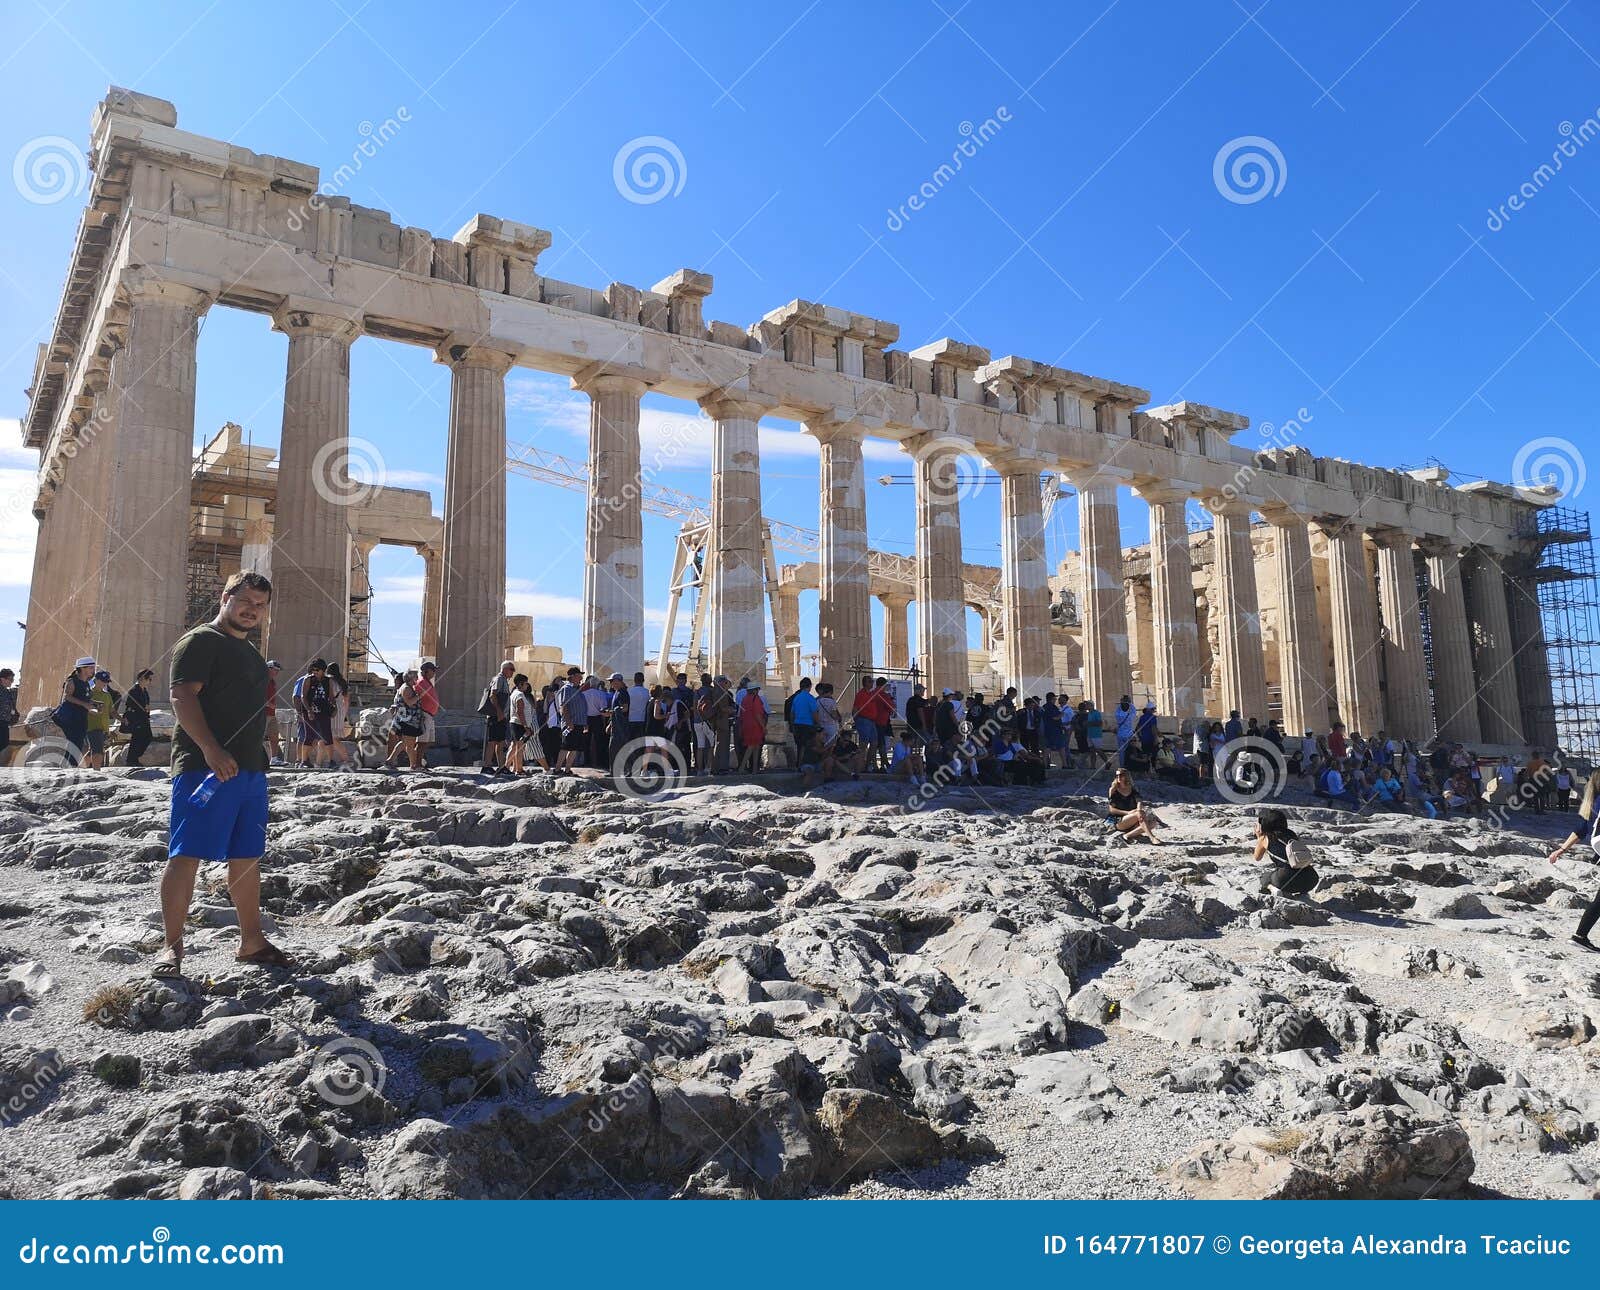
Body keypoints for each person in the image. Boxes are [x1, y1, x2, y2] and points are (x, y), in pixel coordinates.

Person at [159, 570, 290, 977]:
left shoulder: (251, 653)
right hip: (205, 770)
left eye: (260, 605)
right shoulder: (201, 641)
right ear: (226, 597)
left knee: (247, 857)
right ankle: (171, 948)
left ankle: (251, 941)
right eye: (246, 601)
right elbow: (182, 695)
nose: (252, 610)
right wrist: (211, 750)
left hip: (250, 771)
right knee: (187, 855)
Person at [1547, 770, 1600, 951]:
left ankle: (1580, 936)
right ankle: (1580, 936)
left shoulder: (1592, 803)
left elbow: (1580, 830)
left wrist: (1561, 850)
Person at [1255, 807, 1317, 898]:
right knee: (1296, 872)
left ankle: (1274, 889)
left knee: (1264, 877)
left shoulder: (1265, 838)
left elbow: (1257, 857)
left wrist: (1259, 837)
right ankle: (1303, 894)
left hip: (1284, 879)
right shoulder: (1292, 834)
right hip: (1311, 878)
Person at [292, 659, 334, 769]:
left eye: (317, 670)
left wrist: (334, 707)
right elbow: (303, 696)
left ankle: (331, 761)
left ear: (323, 670)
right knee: (309, 736)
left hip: (324, 710)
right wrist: (308, 710)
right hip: (310, 710)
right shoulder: (308, 679)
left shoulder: (328, 680)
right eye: (313, 669)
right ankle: (304, 761)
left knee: (327, 736)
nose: (315, 672)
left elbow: (331, 696)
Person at [53, 658, 97, 756]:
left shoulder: (86, 683)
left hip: (81, 717)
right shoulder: (72, 681)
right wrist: (84, 704)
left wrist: (94, 704)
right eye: (91, 668)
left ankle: (70, 765)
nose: (93, 671)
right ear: (83, 668)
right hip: (71, 717)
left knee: (78, 744)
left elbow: (84, 698)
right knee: (73, 743)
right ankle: (69, 766)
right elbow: (67, 696)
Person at [1106, 766, 1161, 843]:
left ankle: (1127, 835)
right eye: (1117, 775)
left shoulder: (1132, 788)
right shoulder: (1113, 789)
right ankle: (1152, 837)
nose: (1119, 777)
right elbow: (1112, 810)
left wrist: (1138, 809)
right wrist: (1128, 813)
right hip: (1119, 820)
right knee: (1139, 814)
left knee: (1153, 822)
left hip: (1133, 818)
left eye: (1121, 775)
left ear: (1126, 776)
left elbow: (1139, 801)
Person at [482, 660, 515, 775]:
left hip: (500, 715)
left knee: (500, 742)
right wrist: (499, 711)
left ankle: (501, 766)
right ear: (505, 669)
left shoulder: (504, 680)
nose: (513, 672)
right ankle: (486, 765)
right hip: (496, 715)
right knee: (492, 741)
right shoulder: (499, 679)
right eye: (511, 669)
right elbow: (493, 694)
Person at [390, 670, 427, 770]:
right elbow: (409, 702)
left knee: (405, 743)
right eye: (416, 677)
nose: (417, 679)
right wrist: (420, 696)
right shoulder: (406, 688)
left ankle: (389, 761)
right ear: (411, 678)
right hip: (408, 721)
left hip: (410, 720)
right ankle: (414, 766)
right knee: (410, 744)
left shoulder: (409, 687)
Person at [556, 666, 587, 774]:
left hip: (579, 723)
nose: (581, 678)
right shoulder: (567, 689)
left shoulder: (577, 690)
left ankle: (568, 769)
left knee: (574, 748)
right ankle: (557, 769)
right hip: (570, 723)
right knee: (565, 746)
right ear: (572, 676)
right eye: (579, 676)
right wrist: (568, 722)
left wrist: (585, 723)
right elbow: (564, 706)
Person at [84, 669, 118, 769]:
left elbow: (112, 711)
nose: (105, 683)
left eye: (106, 681)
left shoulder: (107, 695)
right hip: (92, 726)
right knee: (97, 751)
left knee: (94, 750)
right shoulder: (88, 693)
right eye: (103, 681)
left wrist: (122, 719)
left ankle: (83, 768)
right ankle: (96, 770)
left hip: (104, 727)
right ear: (96, 680)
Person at [121, 668, 155, 766]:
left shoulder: (144, 691)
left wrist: (147, 708)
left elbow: (146, 703)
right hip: (136, 718)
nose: (150, 681)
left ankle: (134, 757)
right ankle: (132, 760)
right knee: (137, 738)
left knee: (147, 737)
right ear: (142, 678)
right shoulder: (134, 690)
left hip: (143, 718)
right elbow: (129, 704)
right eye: (149, 679)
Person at [325, 662, 356, 769]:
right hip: (339, 710)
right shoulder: (342, 682)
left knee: (332, 738)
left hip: (330, 711)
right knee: (331, 737)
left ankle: (346, 759)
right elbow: (346, 700)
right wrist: (344, 715)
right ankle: (330, 760)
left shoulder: (328, 681)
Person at [413, 661, 441, 766]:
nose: (434, 672)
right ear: (426, 671)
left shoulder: (427, 682)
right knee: (422, 742)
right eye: (433, 670)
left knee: (428, 741)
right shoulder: (421, 682)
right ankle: (417, 764)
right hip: (424, 715)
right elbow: (416, 695)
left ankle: (418, 760)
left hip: (430, 716)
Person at [506, 673, 534, 776]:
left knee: (515, 746)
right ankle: (519, 769)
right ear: (521, 684)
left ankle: (509, 767)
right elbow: (520, 711)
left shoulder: (514, 693)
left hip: (515, 723)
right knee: (520, 748)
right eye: (526, 683)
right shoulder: (519, 695)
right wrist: (526, 726)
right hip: (519, 724)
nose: (527, 686)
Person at [787, 677, 819, 766]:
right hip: (807, 725)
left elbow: (792, 713)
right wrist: (818, 723)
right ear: (810, 686)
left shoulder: (796, 698)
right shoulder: (810, 698)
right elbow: (814, 713)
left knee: (799, 745)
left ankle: (799, 764)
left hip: (797, 724)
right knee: (806, 746)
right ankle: (802, 765)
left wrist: (792, 725)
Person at [737, 681, 768, 772]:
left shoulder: (745, 699)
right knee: (752, 746)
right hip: (755, 726)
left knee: (756, 747)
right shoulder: (756, 699)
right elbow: (758, 715)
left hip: (746, 725)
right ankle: (742, 768)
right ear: (754, 690)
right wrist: (763, 727)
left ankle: (755, 768)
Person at [263, 660, 284, 764]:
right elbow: (256, 696)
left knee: (274, 736)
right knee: (260, 737)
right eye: (276, 670)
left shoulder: (272, 682)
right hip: (262, 713)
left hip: (271, 713)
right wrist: (268, 704)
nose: (277, 672)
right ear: (269, 668)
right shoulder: (262, 680)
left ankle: (274, 758)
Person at [0, 667, 16, 766]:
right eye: (10, 679)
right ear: (2, 679)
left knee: (4, 746)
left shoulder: (6, 691)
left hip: (4, 723)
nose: (12, 682)